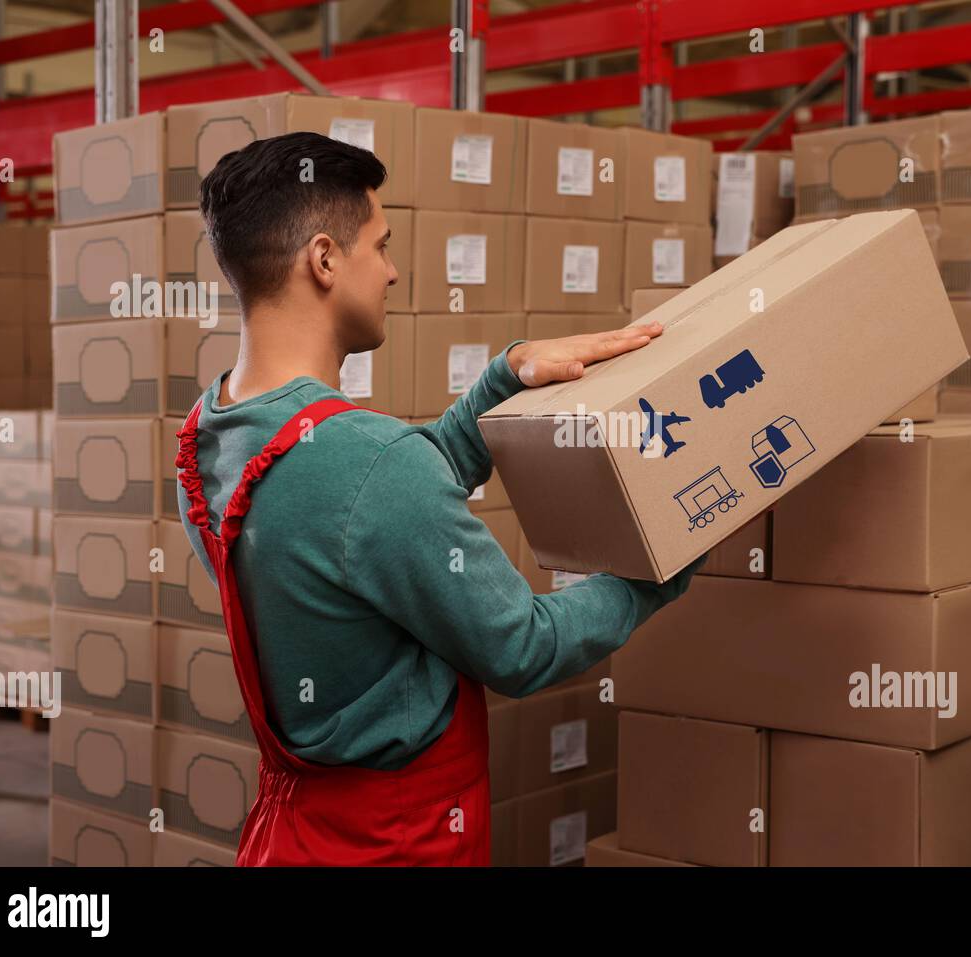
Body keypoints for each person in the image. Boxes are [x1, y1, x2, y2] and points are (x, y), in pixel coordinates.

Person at [175, 131, 703, 867]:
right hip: (399, 840)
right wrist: (667, 556)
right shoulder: (369, 465)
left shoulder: (210, 435)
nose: (392, 272)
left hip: (295, 833)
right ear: (324, 260)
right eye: (381, 246)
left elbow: (366, 517)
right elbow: (523, 646)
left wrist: (507, 374)